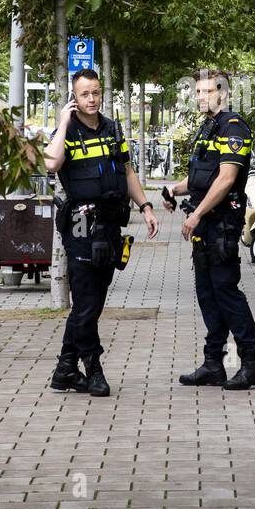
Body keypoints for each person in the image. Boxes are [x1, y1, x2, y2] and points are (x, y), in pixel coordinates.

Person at [43, 69, 158, 396]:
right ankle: (93, 369)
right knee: (87, 302)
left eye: (95, 93)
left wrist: (146, 207)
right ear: (73, 99)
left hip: (110, 225)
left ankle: (66, 368)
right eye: (84, 94)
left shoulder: (112, 129)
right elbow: (51, 164)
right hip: (81, 224)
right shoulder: (64, 131)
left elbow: (127, 170)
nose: (91, 99)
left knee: (91, 303)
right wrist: (64, 123)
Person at [164, 69, 255, 390]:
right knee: (207, 292)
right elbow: (201, 177)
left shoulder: (234, 127)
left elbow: (225, 179)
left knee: (226, 290)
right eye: (197, 92)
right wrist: (173, 191)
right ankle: (213, 364)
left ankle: (251, 363)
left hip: (221, 223)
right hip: (204, 224)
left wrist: (196, 215)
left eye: (206, 91)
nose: (200, 97)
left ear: (222, 93)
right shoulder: (209, 127)